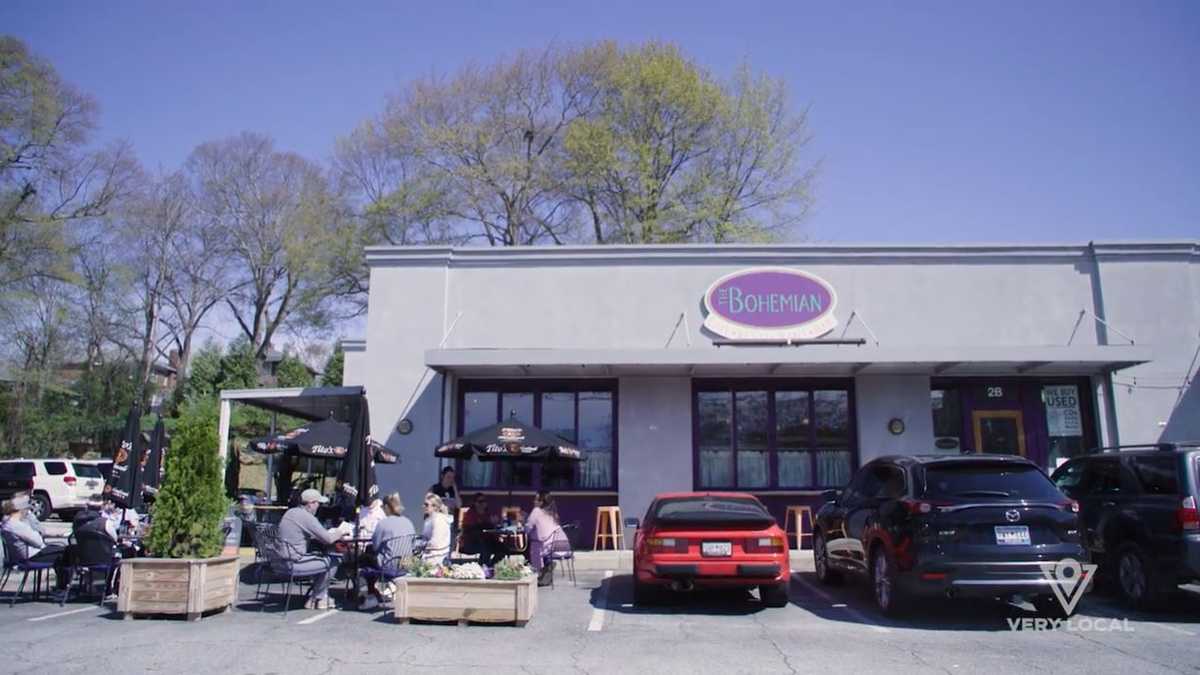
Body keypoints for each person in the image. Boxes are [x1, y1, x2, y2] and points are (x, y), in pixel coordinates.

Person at [277, 488, 351, 610]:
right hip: (293, 562)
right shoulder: (307, 517)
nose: (319, 506)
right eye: (318, 503)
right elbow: (328, 539)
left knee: (320, 555)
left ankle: (319, 596)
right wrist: (340, 532)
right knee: (334, 560)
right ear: (311, 503)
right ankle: (317, 598)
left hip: (280, 560)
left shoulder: (290, 512)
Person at [1, 497, 71, 592]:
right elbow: (38, 541)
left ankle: (62, 587)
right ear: (22, 510)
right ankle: (63, 588)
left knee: (58, 549)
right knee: (67, 552)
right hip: (31, 557)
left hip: (20, 557)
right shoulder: (17, 525)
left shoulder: (6, 524)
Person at [360, 493, 416, 608]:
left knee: (364, 558)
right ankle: (382, 591)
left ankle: (372, 595)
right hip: (407, 563)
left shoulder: (383, 523)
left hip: (390, 565)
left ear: (386, 507)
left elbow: (375, 546)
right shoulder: (408, 521)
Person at [522, 491, 561, 587]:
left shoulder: (536, 511)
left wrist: (523, 525)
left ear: (541, 502)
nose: (533, 501)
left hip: (540, 545)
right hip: (552, 545)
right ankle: (546, 568)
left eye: (536, 499)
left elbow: (528, 527)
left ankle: (537, 572)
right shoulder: (552, 513)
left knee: (526, 547)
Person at [460, 493, 505, 567]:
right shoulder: (470, 513)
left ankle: (491, 566)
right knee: (486, 548)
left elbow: (493, 528)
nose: (483, 504)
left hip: (488, 540)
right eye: (480, 501)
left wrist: (494, 523)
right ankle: (483, 567)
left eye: (484, 501)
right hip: (471, 542)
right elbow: (469, 530)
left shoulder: (488, 513)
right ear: (475, 503)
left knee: (502, 549)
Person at [420, 493, 453, 564]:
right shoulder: (431, 519)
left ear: (435, 507)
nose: (423, 506)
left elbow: (436, 542)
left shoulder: (438, 519)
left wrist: (421, 545)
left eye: (426, 504)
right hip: (433, 555)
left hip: (435, 558)